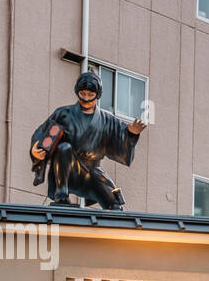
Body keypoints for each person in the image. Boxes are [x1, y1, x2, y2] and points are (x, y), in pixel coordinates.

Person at [29, 69, 147, 208]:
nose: (86, 98)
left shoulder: (107, 120)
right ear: (77, 92)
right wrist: (35, 151)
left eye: (90, 94)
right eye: (82, 94)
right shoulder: (63, 114)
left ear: (97, 95)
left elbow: (121, 143)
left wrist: (132, 134)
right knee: (63, 147)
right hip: (66, 167)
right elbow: (42, 134)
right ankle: (62, 195)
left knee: (115, 205)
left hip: (92, 171)